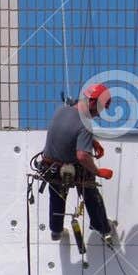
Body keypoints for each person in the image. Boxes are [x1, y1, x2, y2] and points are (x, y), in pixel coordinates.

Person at [39, 82, 115, 247]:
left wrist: (91, 142)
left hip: (50, 166)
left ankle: (56, 230)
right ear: (93, 102)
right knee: (90, 189)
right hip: (70, 166)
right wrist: (98, 171)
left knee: (57, 195)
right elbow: (82, 156)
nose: (98, 114)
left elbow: (68, 133)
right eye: (100, 109)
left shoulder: (62, 111)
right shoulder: (85, 123)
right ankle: (102, 228)